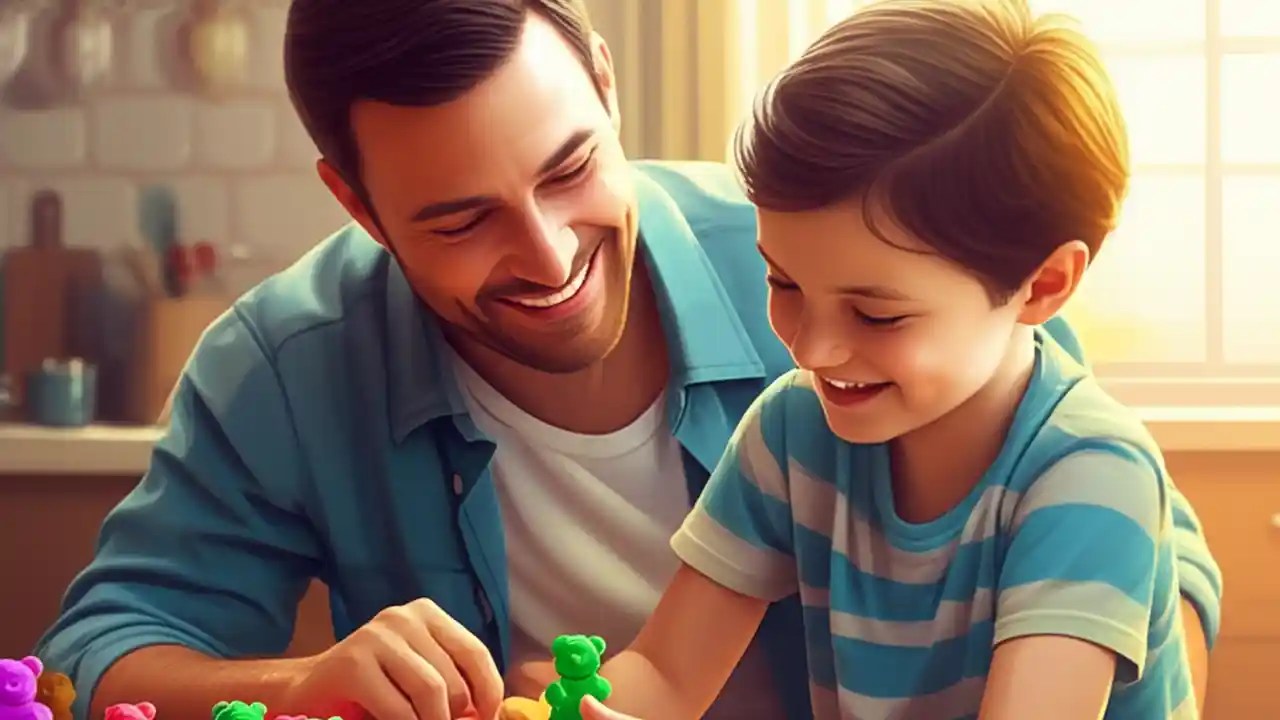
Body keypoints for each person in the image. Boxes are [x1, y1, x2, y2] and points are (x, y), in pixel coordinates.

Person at [34, 1, 1220, 719]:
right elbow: (95, 655)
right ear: (356, 203)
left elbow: (1146, 543)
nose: (547, 256)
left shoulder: (871, 250)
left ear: (606, 83)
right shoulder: (287, 367)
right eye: (459, 219)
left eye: (567, 170)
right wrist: (301, 689)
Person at [527, 2, 1216, 719]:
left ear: (1041, 286)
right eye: (783, 282)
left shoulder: (1090, 477)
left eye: (877, 314)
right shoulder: (795, 431)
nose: (811, 349)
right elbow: (667, 677)